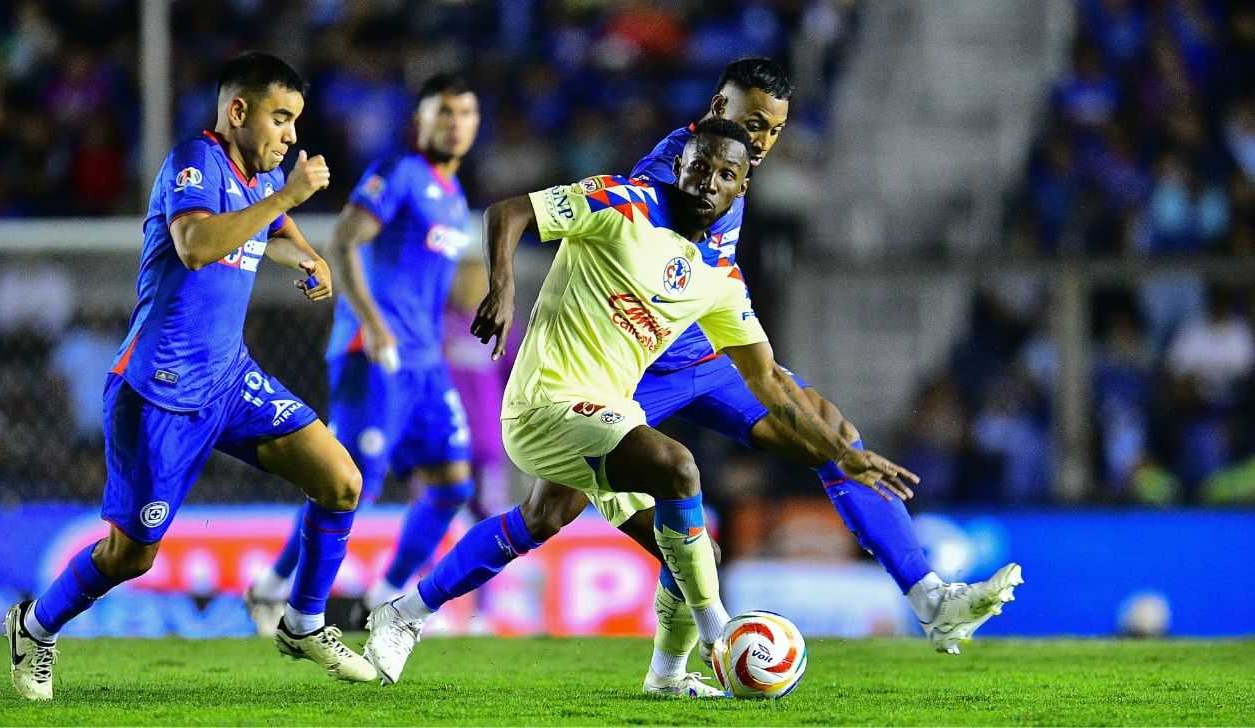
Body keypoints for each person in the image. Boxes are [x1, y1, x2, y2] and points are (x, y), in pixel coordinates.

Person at [362, 118, 920, 692]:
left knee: (663, 542)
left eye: (725, 174)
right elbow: (508, 212)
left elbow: (769, 382)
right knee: (677, 468)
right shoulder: (620, 202)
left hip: (608, 415)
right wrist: (502, 283)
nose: (707, 183)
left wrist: (839, 453)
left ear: (741, 189)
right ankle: (719, 633)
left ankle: (411, 616)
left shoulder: (720, 280)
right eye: (699, 167)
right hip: (543, 403)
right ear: (679, 167)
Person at [531, 57, 1025, 684]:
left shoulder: (734, 169)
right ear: (718, 110)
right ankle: (408, 611)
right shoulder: (678, 171)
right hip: (635, 368)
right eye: (753, 123)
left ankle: (932, 601)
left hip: (705, 359)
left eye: (773, 130)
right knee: (548, 512)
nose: (762, 141)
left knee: (833, 436)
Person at [3, 52, 376, 701]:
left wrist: (307, 255)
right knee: (130, 556)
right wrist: (288, 194)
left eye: (295, 121)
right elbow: (197, 246)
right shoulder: (195, 161)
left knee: (341, 480)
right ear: (238, 112)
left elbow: (275, 228)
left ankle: (304, 619)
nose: (291, 135)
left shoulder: (255, 176)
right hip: (158, 392)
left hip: (229, 380)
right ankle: (34, 627)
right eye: (281, 118)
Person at [242, 73, 482, 633]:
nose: (454, 124)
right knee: (350, 483)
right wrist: (373, 325)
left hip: (424, 361)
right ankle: (273, 588)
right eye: (442, 112)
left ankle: (387, 596)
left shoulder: (454, 198)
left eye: (465, 113)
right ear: (418, 121)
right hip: (373, 353)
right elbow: (344, 241)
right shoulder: (398, 173)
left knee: (453, 484)